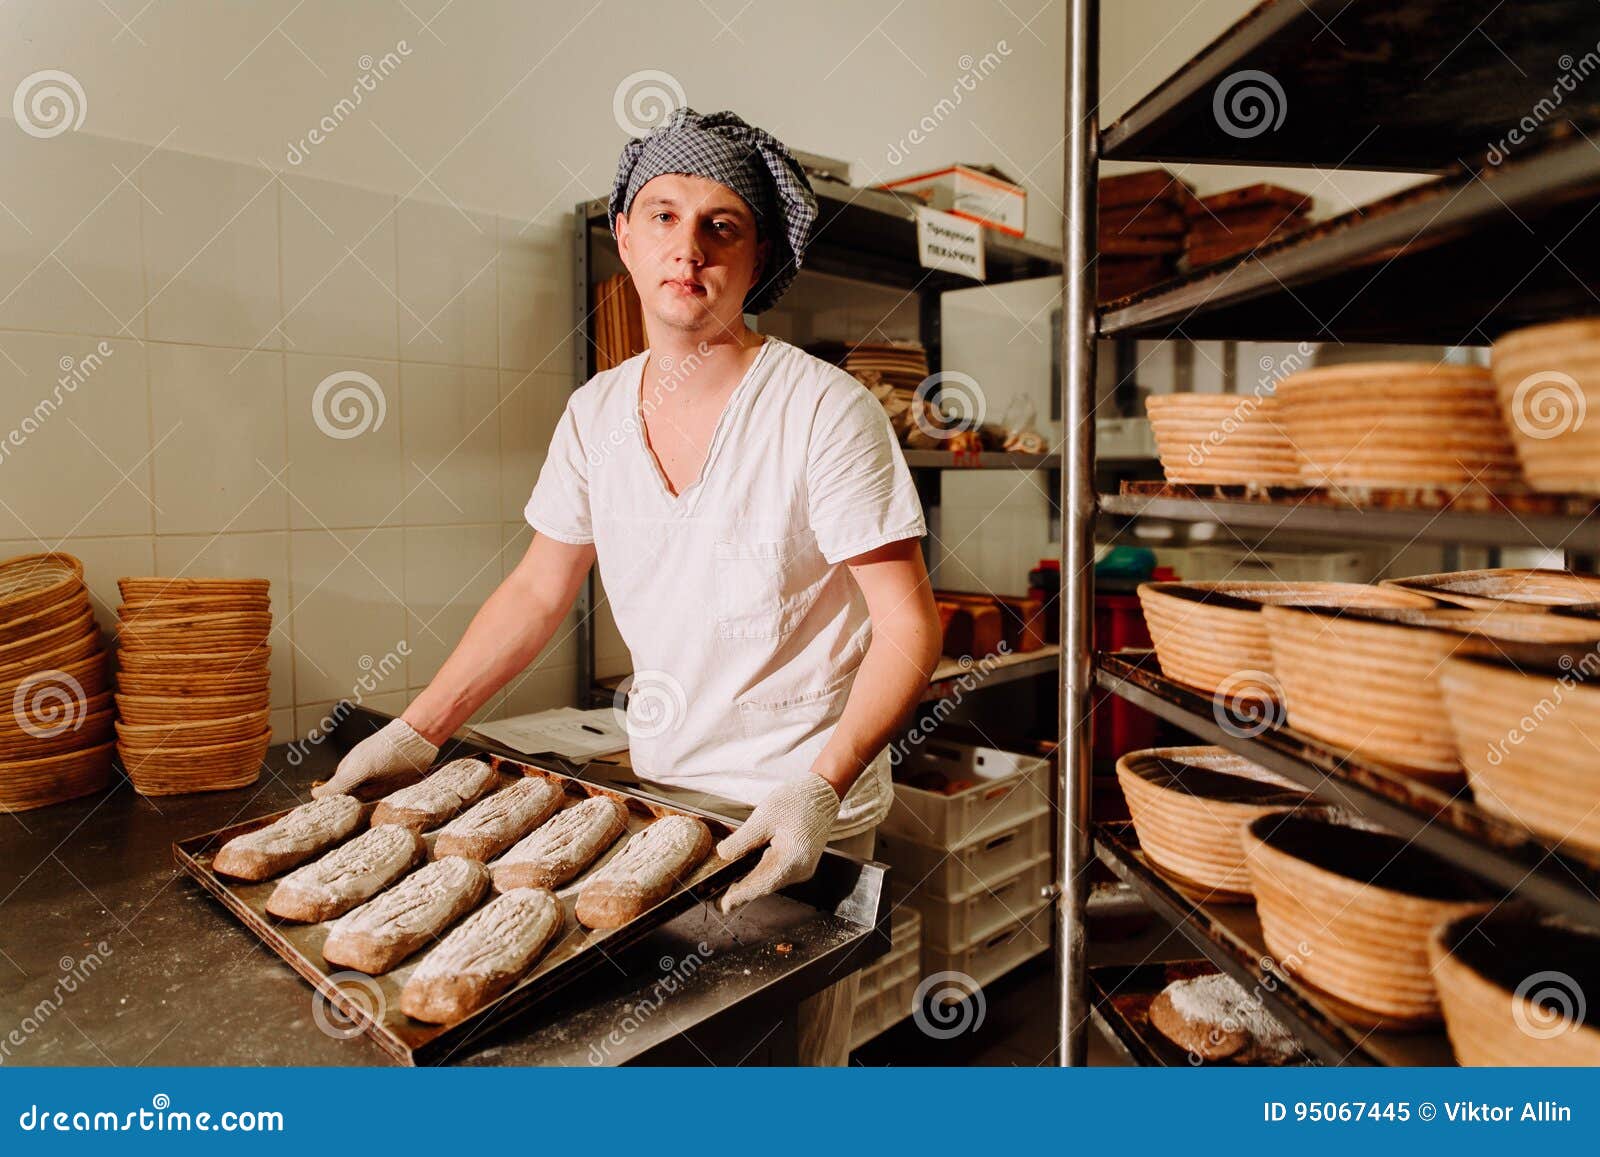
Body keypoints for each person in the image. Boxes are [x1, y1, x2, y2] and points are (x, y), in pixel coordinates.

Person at [315, 107, 944, 1065]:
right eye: (662, 215)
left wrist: (818, 788)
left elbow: (907, 627)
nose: (687, 247)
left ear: (759, 251)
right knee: (671, 1063)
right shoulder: (595, 412)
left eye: (720, 225)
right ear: (623, 237)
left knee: (781, 1073)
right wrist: (418, 728)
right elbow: (537, 590)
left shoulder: (823, 409)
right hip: (667, 802)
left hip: (801, 809)